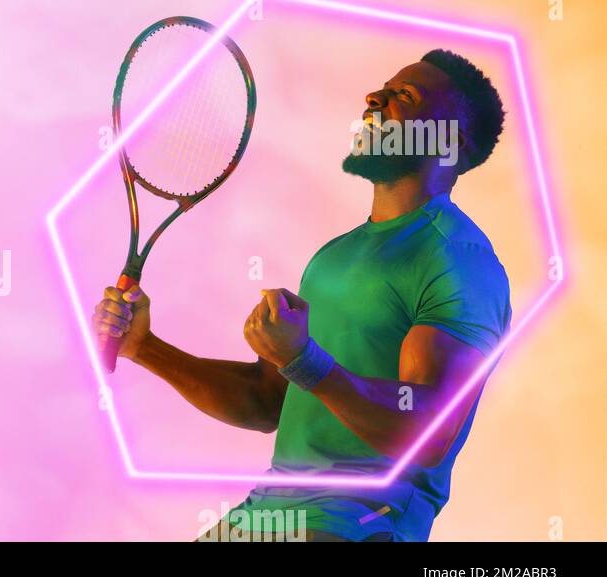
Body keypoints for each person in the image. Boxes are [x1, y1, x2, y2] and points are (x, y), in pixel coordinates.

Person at [93, 49, 511, 541]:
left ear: (450, 142)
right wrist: (146, 347)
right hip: (268, 514)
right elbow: (266, 402)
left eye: (403, 96)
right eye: (381, 88)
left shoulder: (458, 259)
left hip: (358, 521)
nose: (374, 98)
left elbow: (427, 430)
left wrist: (305, 359)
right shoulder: (336, 255)